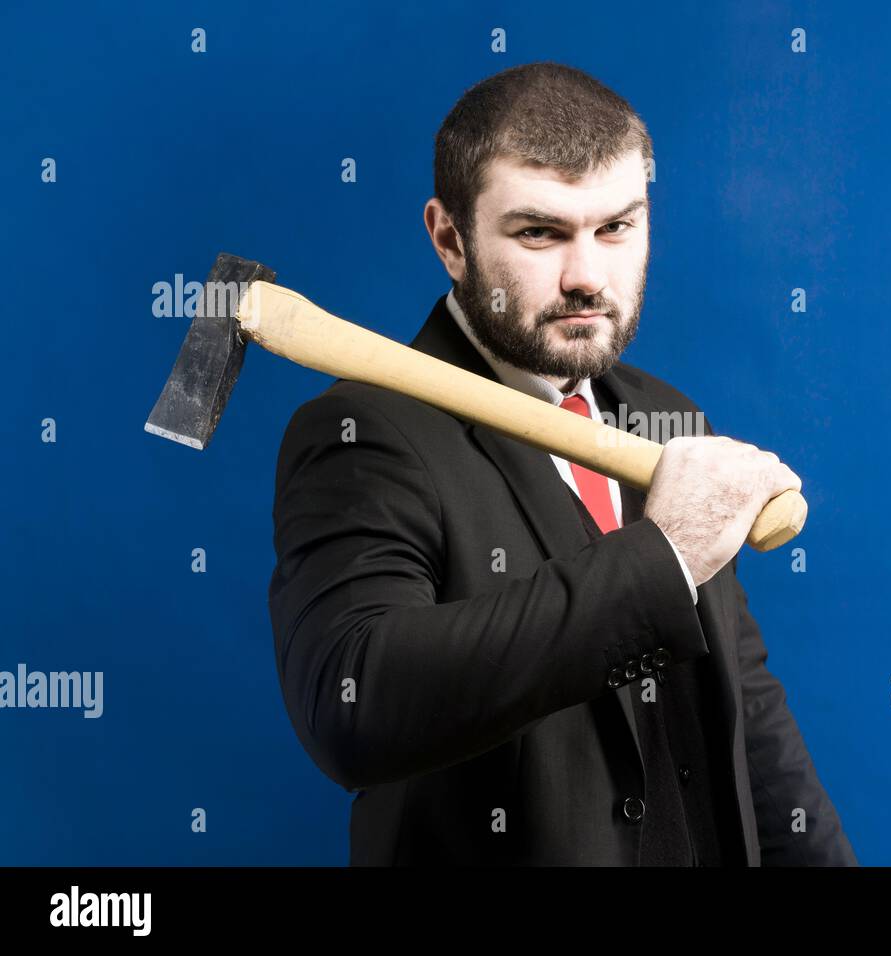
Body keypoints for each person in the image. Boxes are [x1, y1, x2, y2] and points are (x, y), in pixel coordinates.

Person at [268, 60, 857, 866]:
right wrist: (663, 557)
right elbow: (353, 704)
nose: (586, 277)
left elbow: (746, 722)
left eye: (616, 227)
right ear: (450, 238)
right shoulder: (360, 437)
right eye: (540, 232)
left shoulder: (664, 418)